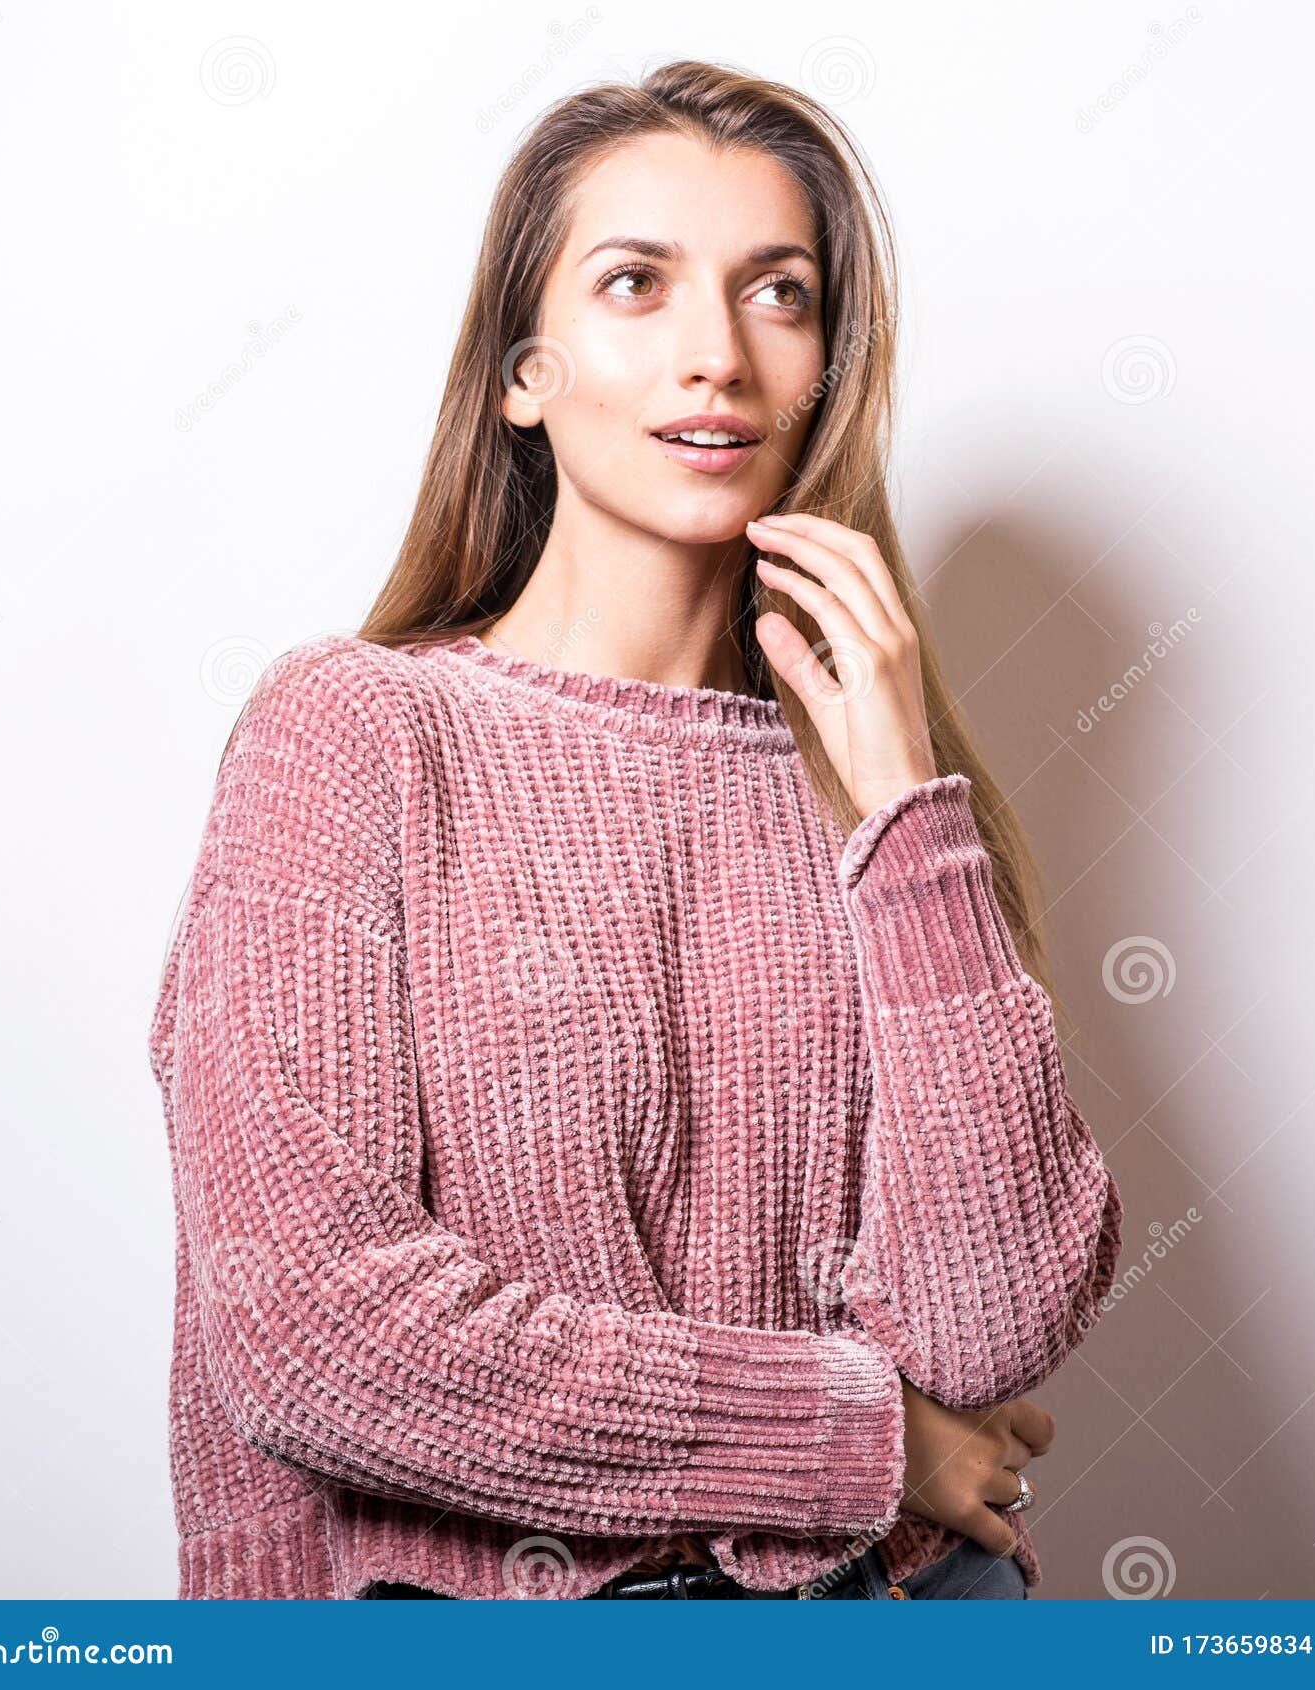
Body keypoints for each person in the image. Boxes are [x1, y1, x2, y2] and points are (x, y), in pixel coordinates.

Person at [148, 58, 1123, 1602]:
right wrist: (864, 1443)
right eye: (637, 283)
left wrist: (902, 800)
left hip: (914, 1606)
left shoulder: (883, 800)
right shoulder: (357, 731)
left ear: (823, 368)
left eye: (778, 295)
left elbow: (990, 1326)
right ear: (524, 369)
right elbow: (314, 1331)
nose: (714, 355)